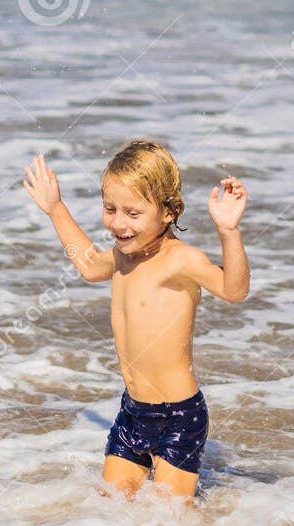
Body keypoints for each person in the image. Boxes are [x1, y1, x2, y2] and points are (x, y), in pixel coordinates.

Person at [23, 140, 249, 500]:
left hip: (179, 418)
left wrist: (228, 231)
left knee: (169, 521)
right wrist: (54, 208)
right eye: (110, 209)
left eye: (133, 213)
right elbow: (89, 265)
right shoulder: (121, 256)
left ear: (168, 212)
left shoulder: (181, 259)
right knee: (110, 511)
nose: (117, 223)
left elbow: (234, 291)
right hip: (132, 412)